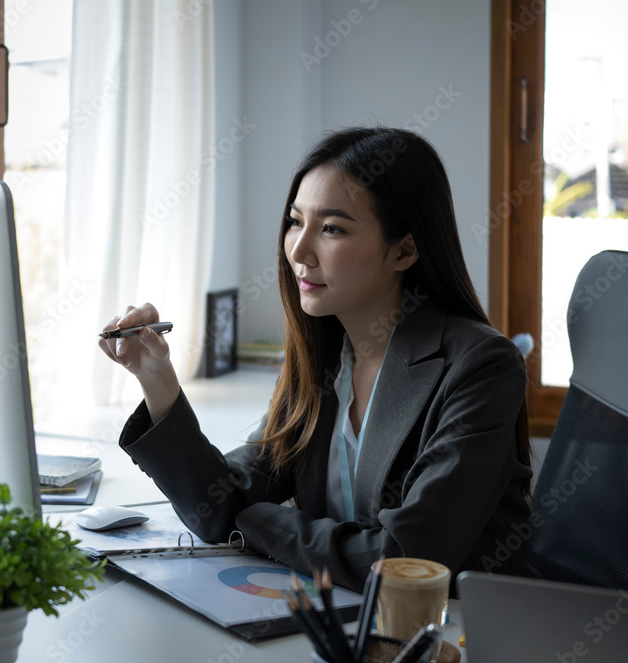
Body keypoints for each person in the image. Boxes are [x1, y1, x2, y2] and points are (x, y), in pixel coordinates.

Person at [98, 127, 538, 592]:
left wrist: (254, 522)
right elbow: (216, 506)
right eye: (294, 221)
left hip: (454, 639)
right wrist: (157, 379)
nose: (299, 250)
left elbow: (403, 560)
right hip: (343, 623)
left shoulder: (479, 365)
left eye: (331, 228)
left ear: (405, 249)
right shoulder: (327, 354)